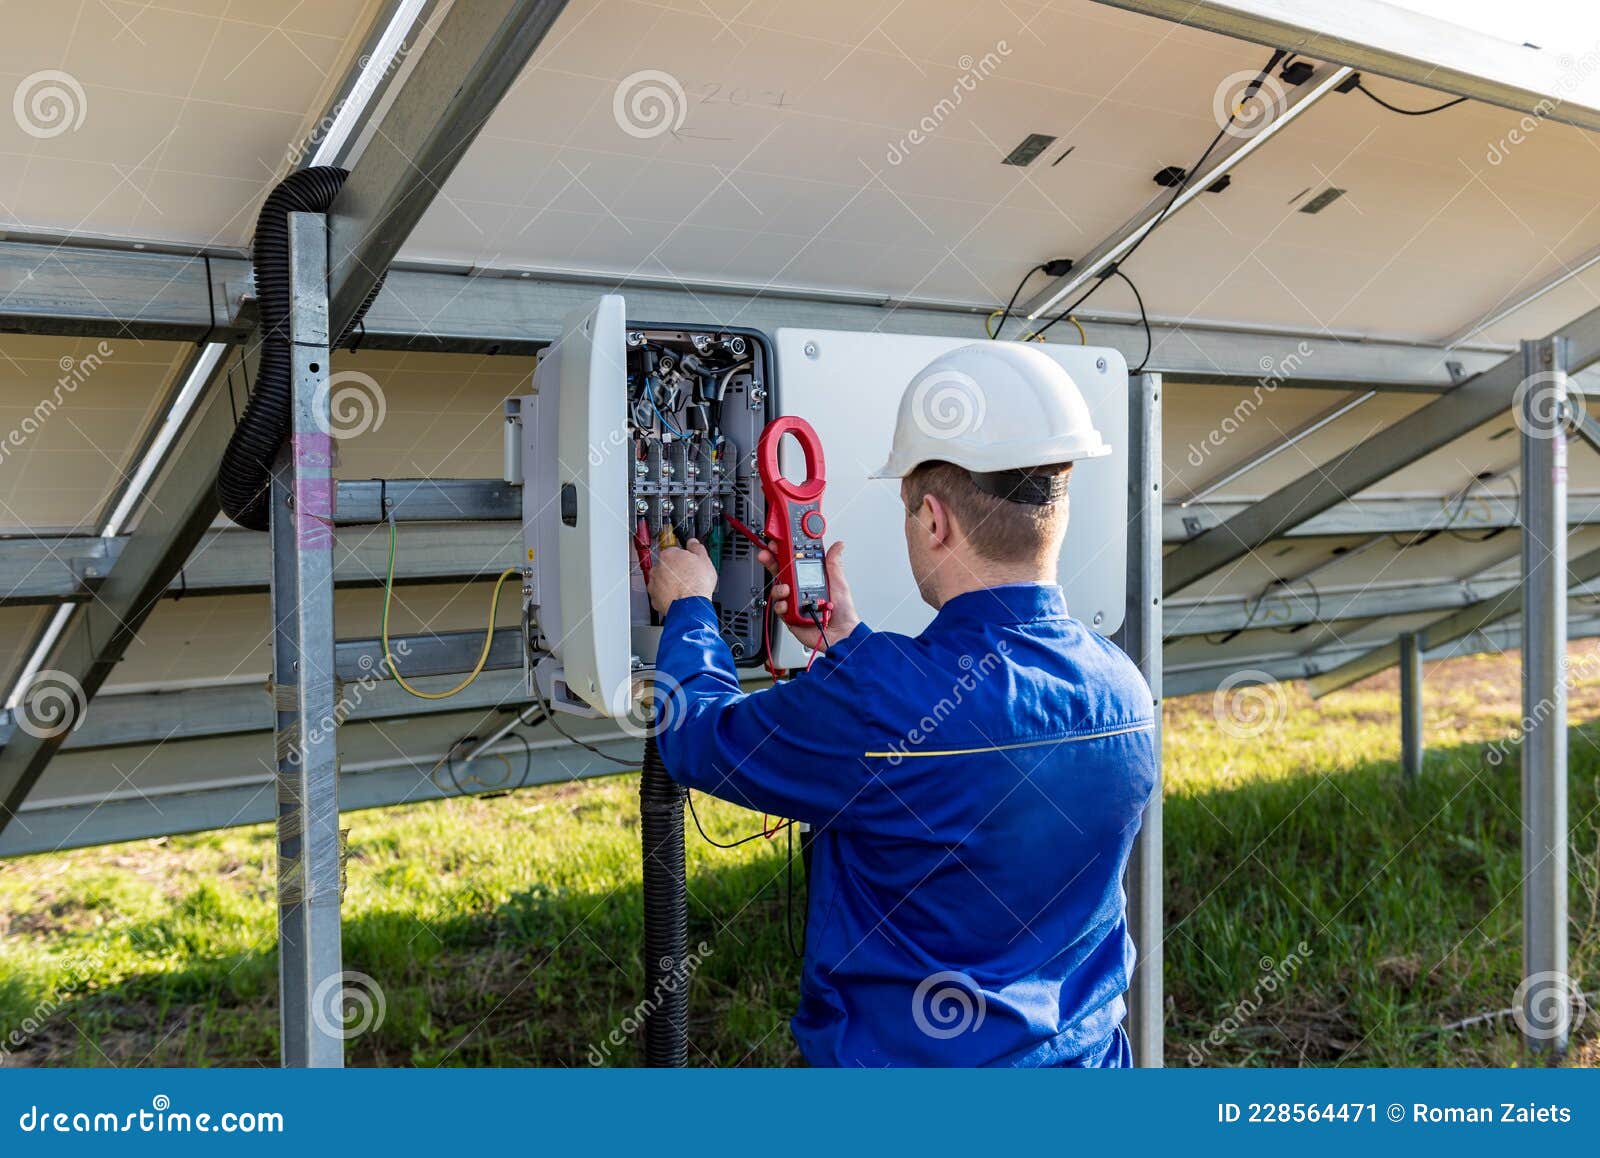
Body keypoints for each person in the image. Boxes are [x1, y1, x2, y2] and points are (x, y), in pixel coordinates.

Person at [645, 342, 1157, 1067]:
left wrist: (690, 608)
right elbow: (953, 746)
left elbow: (698, 737)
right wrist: (847, 638)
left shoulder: (881, 701)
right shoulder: (1125, 691)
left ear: (936, 522)